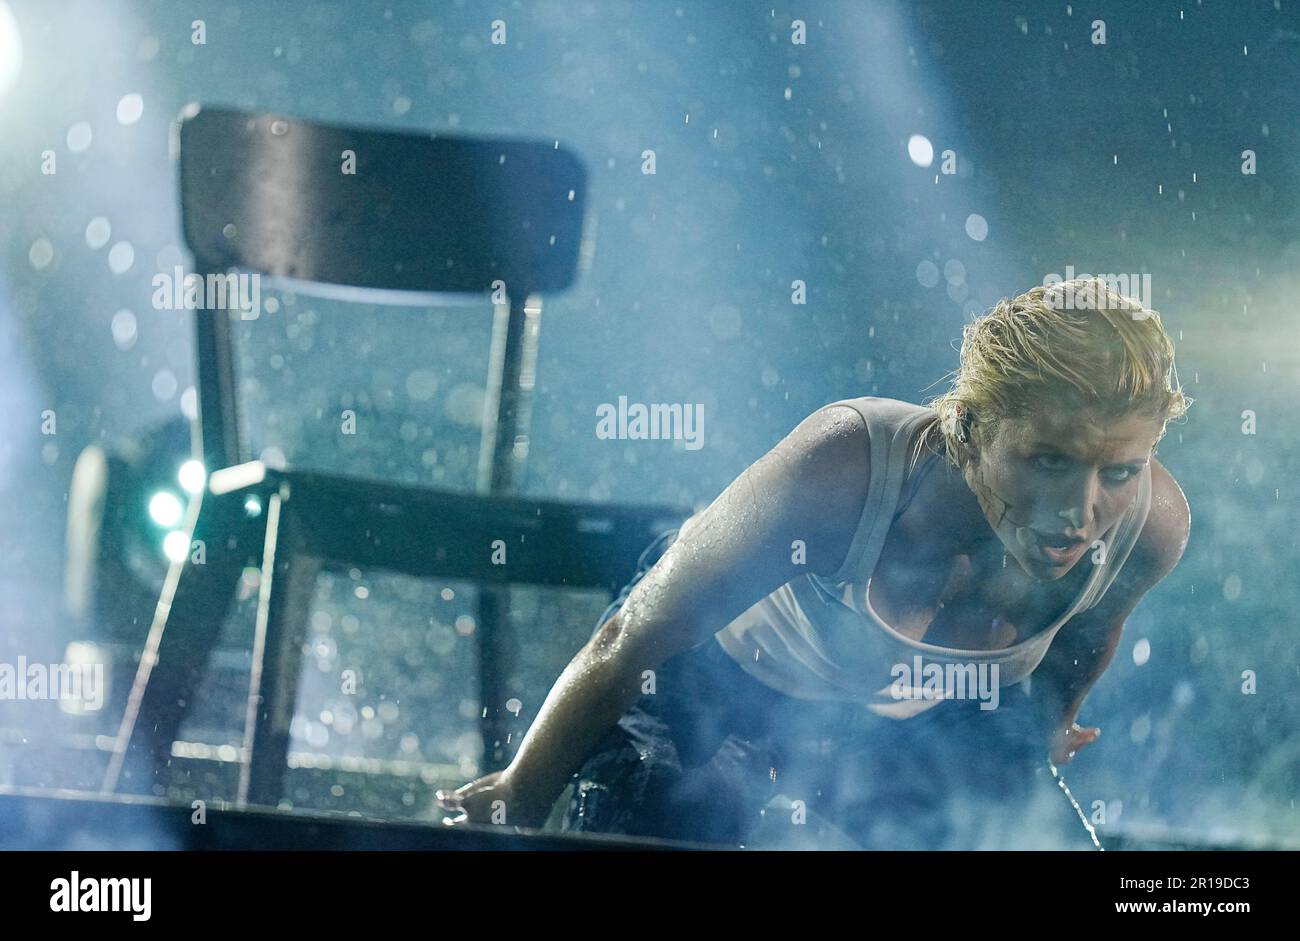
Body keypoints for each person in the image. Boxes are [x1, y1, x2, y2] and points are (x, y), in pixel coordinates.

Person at [437, 278, 1193, 846]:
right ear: (966, 430)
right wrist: (520, 791)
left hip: (903, 727)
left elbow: (1086, 640)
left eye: (1118, 471)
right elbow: (632, 635)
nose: (1078, 508)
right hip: (716, 687)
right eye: (1047, 460)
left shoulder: (1150, 528)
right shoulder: (844, 470)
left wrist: (1044, 736)